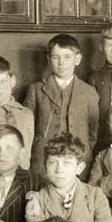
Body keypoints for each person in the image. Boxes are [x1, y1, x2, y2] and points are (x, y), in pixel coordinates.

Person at [23, 33, 99, 172]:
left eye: (67, 57)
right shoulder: (36, 89)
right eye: (55, 57)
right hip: (43, 162)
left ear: (77, 59)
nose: (61, 63)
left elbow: (93, 133)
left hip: (77, 163)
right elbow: (27, 130)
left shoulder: (89, 91)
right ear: (48, 59)